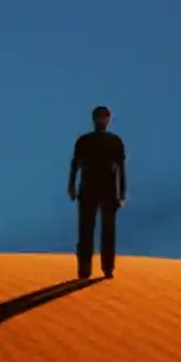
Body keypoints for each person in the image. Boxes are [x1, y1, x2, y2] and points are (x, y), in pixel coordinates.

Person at [68, 106, 127, 279]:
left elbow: (121, 169)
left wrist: (122, 193)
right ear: (95, 119)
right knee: (87, 230)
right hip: (90, 190)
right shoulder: (85, 141)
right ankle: (87, 268)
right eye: (101, 117)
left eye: (105, 117)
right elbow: (75, 164)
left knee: (104, 231)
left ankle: (105, 268)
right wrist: (71, 185)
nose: (103, 120)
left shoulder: (114, 141)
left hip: (104, 191)